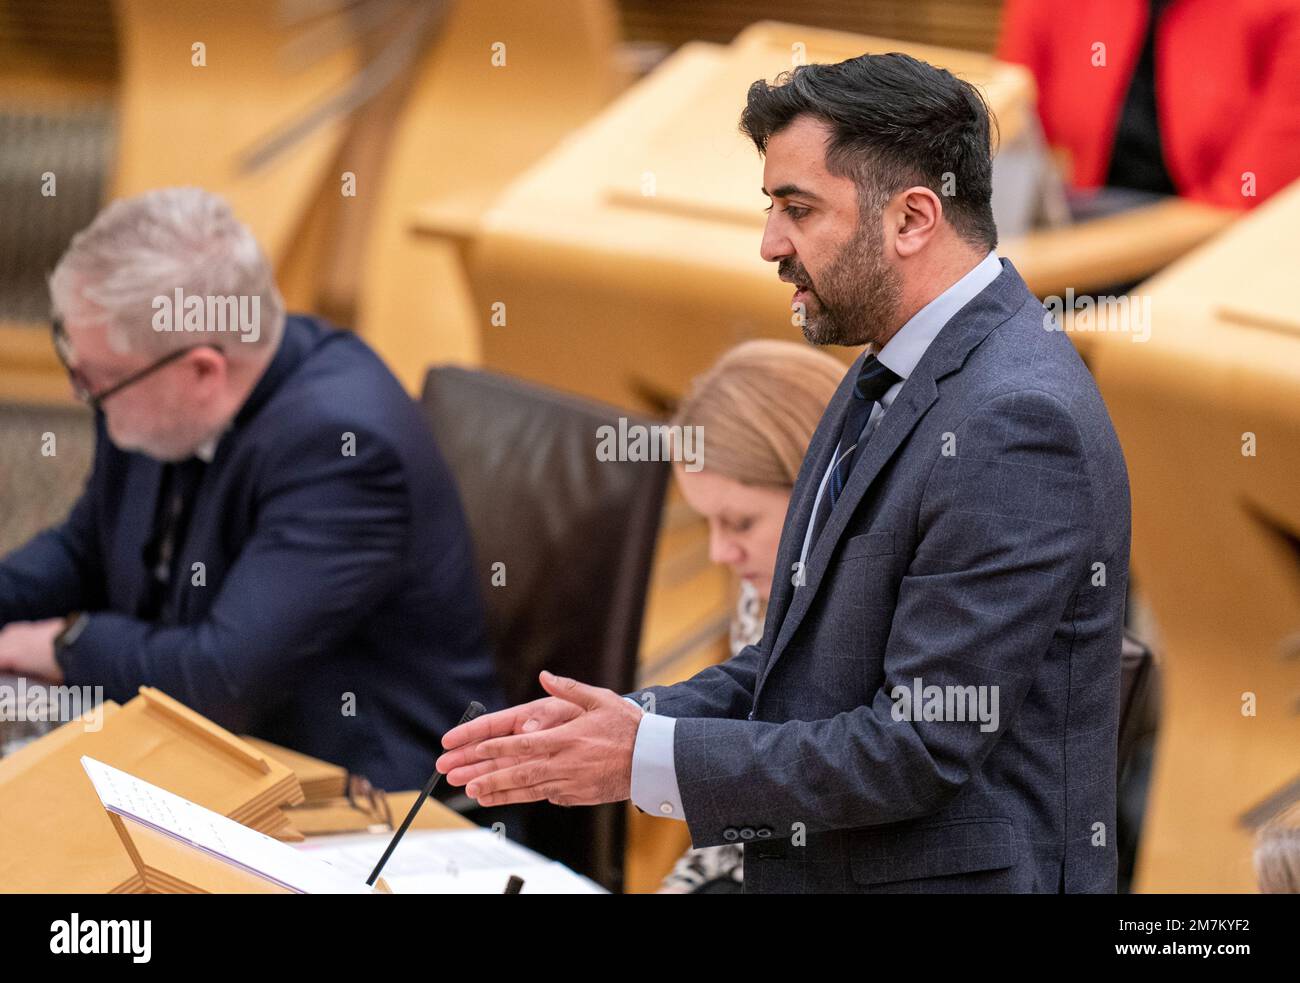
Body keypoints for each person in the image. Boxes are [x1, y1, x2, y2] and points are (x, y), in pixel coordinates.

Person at [436, 51, 1131, 893]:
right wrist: (633, 721)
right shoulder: (888, 365)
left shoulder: (1018, 422)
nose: (771, 243)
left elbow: (916, 747)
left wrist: (646, 759)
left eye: (798, 209)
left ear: (913, 218)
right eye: (772, 207)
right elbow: (803, 667)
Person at [0, 187, 502, 789]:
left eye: (95, 382)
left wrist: (64, 643)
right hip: (206, 764)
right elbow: (86, 551)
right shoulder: (151, 383)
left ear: (202, 372)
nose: (82, 395)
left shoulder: (345, 448)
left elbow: (219, 681)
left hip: (374, 810)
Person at [657, 340, 845, 893]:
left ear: (817, 494)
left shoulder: (883, 609)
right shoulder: (766, 584)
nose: (718, 554)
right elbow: (737, 837)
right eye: (706, 525)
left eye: (739, 523)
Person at [998, 0, 1300, 209]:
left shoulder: (1282, 13)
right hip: (1076, 222)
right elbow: (1006, 135)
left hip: (1214, 255)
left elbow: (1245, 201)